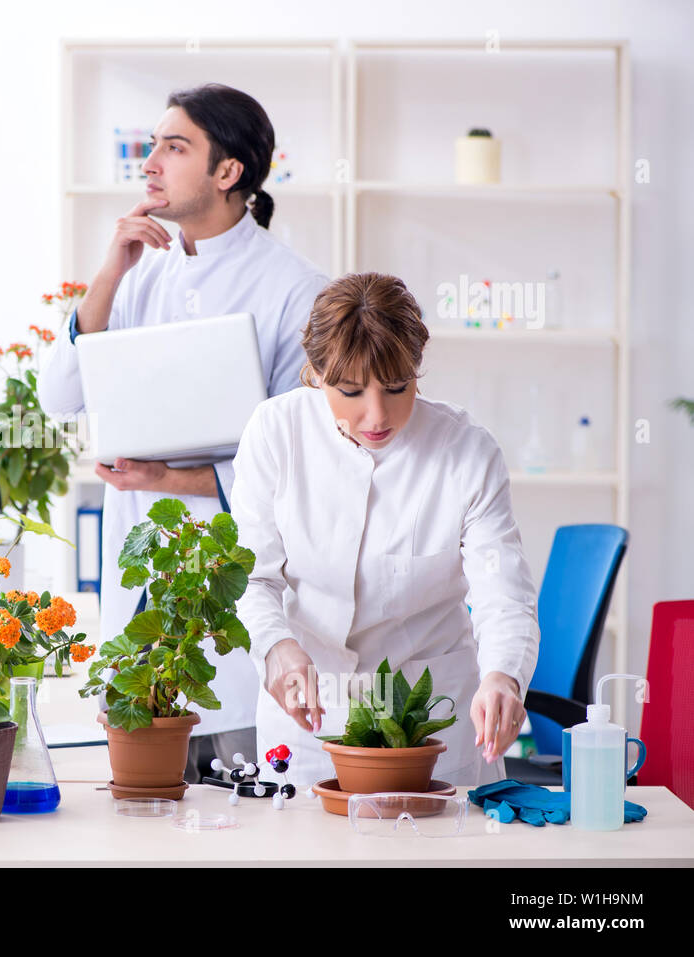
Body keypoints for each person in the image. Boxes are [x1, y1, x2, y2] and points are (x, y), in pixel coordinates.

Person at [39, 83, 328, 780]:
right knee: (139, 805)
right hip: (135, 573)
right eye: (152, 144)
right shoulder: (139, 274)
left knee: (234, 797)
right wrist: (111, 269)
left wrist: (167, 479)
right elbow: (57, 396)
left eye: (175, 146)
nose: (151, 162)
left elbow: (300, 462)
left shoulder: (299, 291)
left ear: (229, 172)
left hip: (234, 579)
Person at [229, 272, 540, 789]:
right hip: (313, 717)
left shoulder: (466, 451)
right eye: (350, 390)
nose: (376, 414)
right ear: (314, 373)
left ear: (417, 370)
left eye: (397, 387)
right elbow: (251, 578)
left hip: (435, 723)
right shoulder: (275, 432)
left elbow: (502, 593)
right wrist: (276, 647)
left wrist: (503, 675)